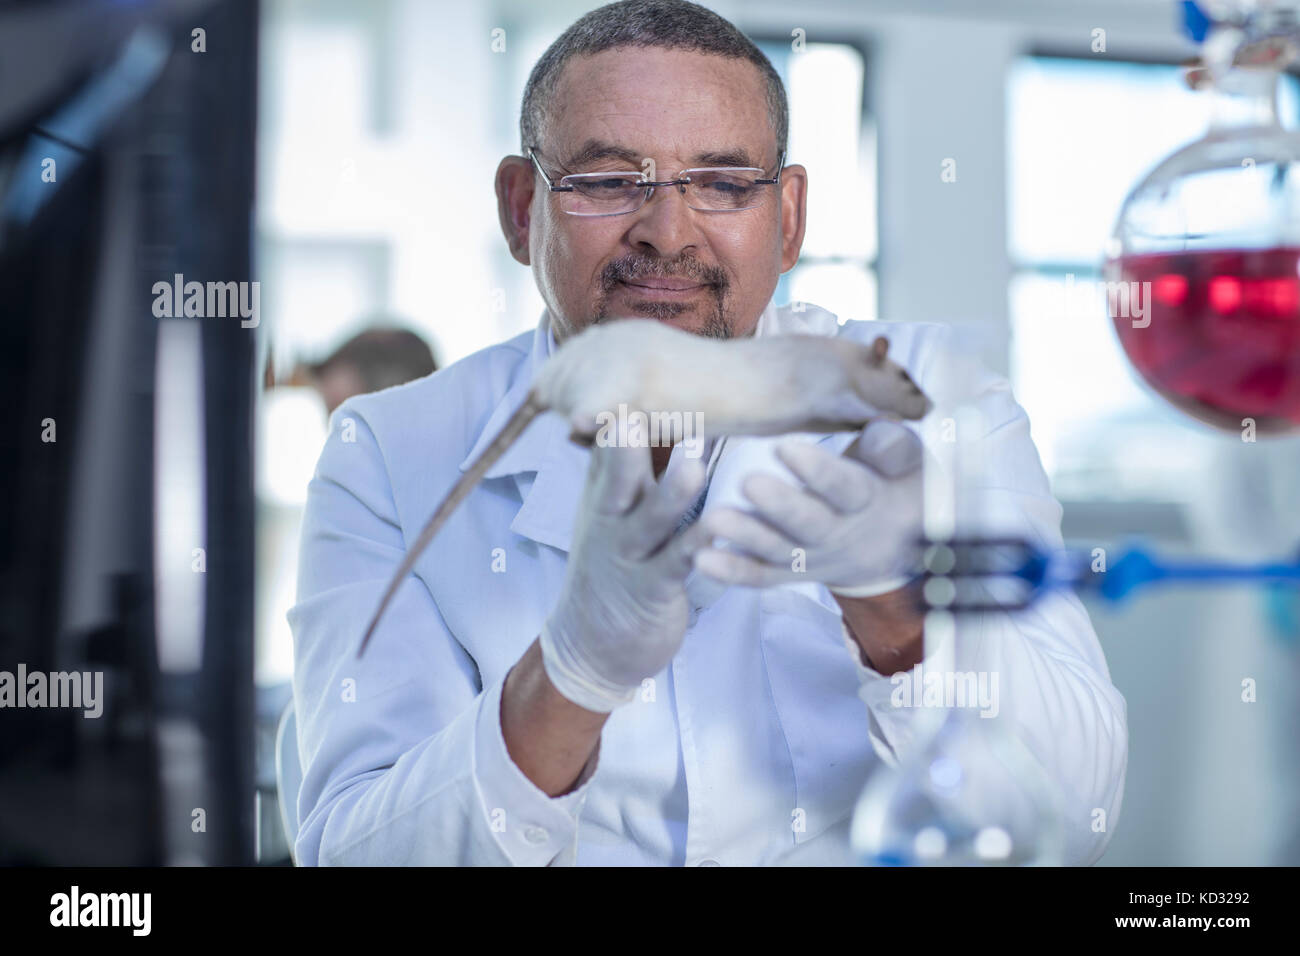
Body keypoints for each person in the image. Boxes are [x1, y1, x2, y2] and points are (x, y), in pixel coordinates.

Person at [287, 0, 1127, 866]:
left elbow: (1080, 810)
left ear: (790, 217)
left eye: (723, 183)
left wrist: (895, 607)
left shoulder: (938, 402)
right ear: (519, 207)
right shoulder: (388, 453)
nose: (666, 231)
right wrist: (568, 677)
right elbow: (353, 852)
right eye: (608, 181)